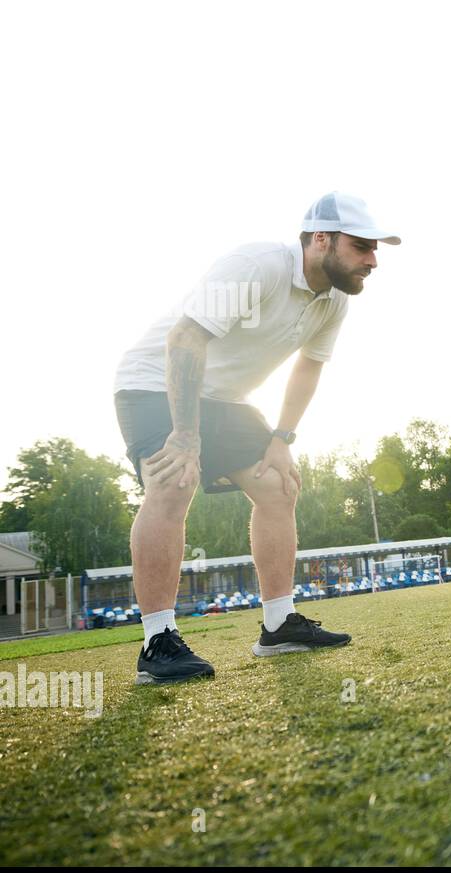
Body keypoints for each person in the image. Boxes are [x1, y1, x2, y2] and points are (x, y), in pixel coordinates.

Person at [113, 192, 400, 683]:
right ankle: (157, 643)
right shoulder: (256, 265)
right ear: (321, 239)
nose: (372, 260)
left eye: (375, 249)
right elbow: (185, 339)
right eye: (361, 247)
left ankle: (278, 624)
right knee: (173, 482)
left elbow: (309, 368)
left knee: (278, 484)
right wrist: (185, 435)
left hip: (227, 397)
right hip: (155, 382)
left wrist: (282, 438)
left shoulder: (334, 300)